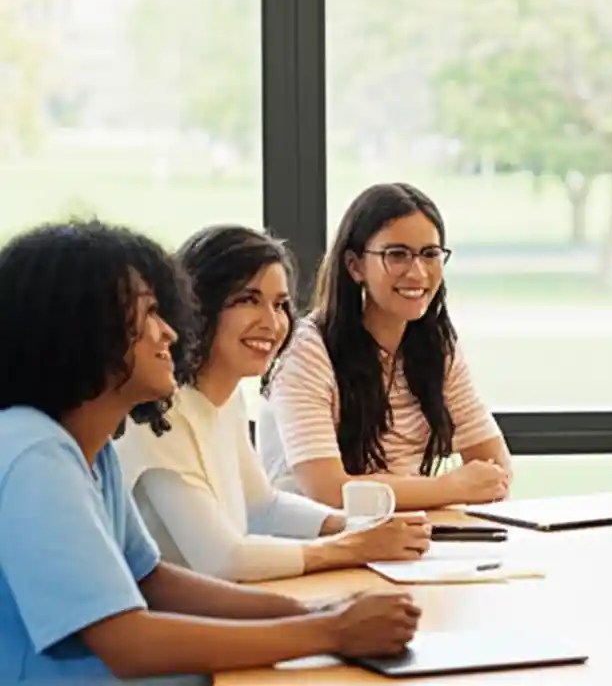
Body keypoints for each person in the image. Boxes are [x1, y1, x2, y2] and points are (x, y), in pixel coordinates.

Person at [0, 221, 417, 682]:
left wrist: (313, 611)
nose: (170, 334)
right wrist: (328, 631)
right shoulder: (35, 455)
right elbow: (126, 643)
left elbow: (152, 580)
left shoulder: (90, 450)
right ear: (81, 329)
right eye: (148, 315)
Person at [116, 225, 430, 582]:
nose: (272, 323)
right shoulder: (156, 413)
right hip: (176, 626)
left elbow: (263, 508)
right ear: (197, 305)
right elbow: (223, 560)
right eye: (248, 300)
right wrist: (353, 545)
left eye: (280, 305)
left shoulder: (225, 396)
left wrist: (355, 526)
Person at [259, 183, 513, 510]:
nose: (417, 272)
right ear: (354, 266)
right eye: (397, 255)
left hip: (411, 536)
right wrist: (449, 487)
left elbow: (496, 470)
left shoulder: (436, 346)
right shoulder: (307, 350)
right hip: (319, 544)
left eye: (430, 254)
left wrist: (442, 492)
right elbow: (330, 491)